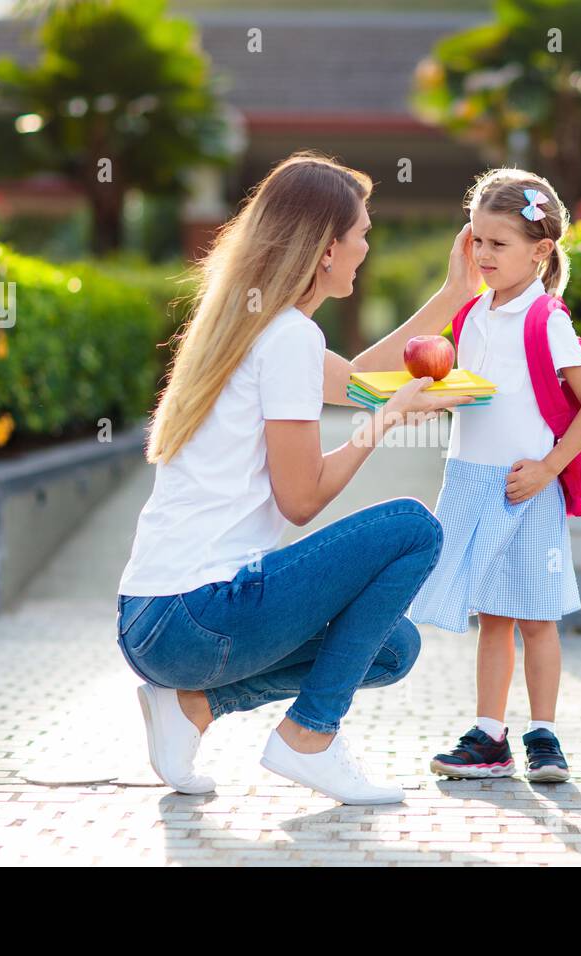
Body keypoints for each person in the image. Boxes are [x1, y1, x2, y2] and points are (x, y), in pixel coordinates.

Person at [115, 152, 481, 805]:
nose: (368, 246)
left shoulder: (258, 327)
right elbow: (303, 498)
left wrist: (453, 296)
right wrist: (385, 421)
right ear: (325, 249)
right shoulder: (285, 337)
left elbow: (363, 382)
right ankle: (308, 738)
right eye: (361, 233)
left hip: (154, 621)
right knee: (413, 530)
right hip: (196, 616)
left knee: (390, 647)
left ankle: (191, 708)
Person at [407, 169, 581, 784]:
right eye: (477, 241)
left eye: (499, 244)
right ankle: (490, 735)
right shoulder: (468, 315)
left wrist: (550, 467)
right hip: (470, 481)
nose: (484, 255)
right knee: (491, 618)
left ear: (540, 250)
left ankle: (543, 734)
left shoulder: (546, 318)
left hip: (526, 487)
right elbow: (473, 391)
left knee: (537, 618)